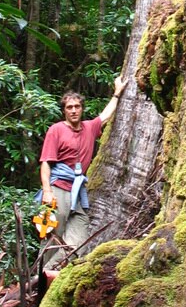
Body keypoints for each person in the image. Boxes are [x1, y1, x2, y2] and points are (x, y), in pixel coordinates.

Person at [37, 75, 127, 275]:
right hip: (58, 188)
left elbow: (105, 116)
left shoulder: (89, 128)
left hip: (77, 192)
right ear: (64, 110)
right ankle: (40, 279)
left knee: (79, 237)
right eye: (69, 107)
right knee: (52, 234)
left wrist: (117, 93)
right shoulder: (56, 130)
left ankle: (50, 272)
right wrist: (47, 191)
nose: (73, 110)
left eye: (77, 106)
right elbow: (46, 163)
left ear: (82, 108)